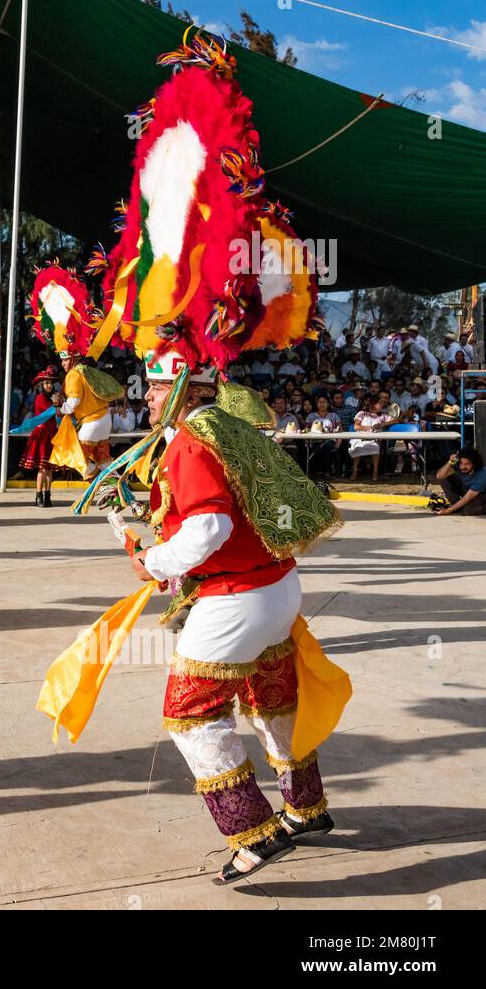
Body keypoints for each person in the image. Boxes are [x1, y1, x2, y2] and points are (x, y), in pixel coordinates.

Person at [134, 352, 340, 882]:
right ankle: (306, 809)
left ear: (183, 389)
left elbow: (210, 528)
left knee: (191, 714)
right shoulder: (230, 426)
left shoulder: (189, 440)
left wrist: (152, 562)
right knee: (273, 700)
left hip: (237, 598)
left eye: (155, 390)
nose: (148, 399)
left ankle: (257, 830)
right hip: (277, 585)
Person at [56, 349, 123, 480]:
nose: (63, 364)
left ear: (73, 359)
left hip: (91, 422)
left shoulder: (73, 374)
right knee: (103, 460)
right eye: (62, 360)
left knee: (76, 457)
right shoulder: (88, 370)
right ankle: (120, 494)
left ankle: (102, 486)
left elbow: (74, 400)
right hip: (104, 418)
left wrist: (62, 408)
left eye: (65, 360)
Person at [17, 367, 61, 507]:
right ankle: (38, 495)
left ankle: (48, 495)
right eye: (46, 383)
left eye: (50, 383)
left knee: (49, 468)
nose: (48, 385)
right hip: (42, 434)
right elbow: (47, 414)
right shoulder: (40, 398)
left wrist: (60, 405)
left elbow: (60, 415)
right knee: (42, 468)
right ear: (42, 385)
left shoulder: (57, 397)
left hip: (53, 434)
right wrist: (57, 405)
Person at [434, 447, 486, 516]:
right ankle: (455, 504)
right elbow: (439, 476)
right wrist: (450, 462)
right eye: (461, 463)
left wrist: (448, 511)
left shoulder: (482, 474)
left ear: (474, 464)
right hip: (466, 489)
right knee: (444, 477)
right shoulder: (458, 465)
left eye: (467, 464)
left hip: (481, 495)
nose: (463, 467)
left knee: (467, 511)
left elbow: (466, 498)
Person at [347, 395, 384, 481]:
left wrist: (382, 425)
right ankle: (354, 471)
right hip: (359, 438)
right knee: (357, 447)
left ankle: (375, 472)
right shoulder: (361, 413)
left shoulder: (381, 416)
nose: (381, 405)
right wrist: (371, 428)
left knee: (375, 447)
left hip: (373, 439)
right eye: (379, 404)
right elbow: (356, 427)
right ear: (373, 405)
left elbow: (394, 420)